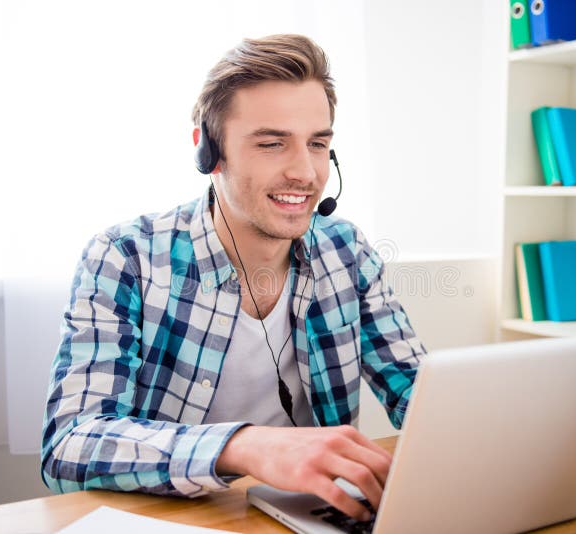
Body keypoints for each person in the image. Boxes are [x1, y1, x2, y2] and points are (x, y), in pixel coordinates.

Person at [41, 34, 425, 522]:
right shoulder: (126, 257)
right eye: (272, 143)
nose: (306, 173)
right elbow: (68, 445)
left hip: (312, 519)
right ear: (208, 150)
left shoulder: (346, 250)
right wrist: (245, 446)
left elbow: (418, 393)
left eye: (318, 144)